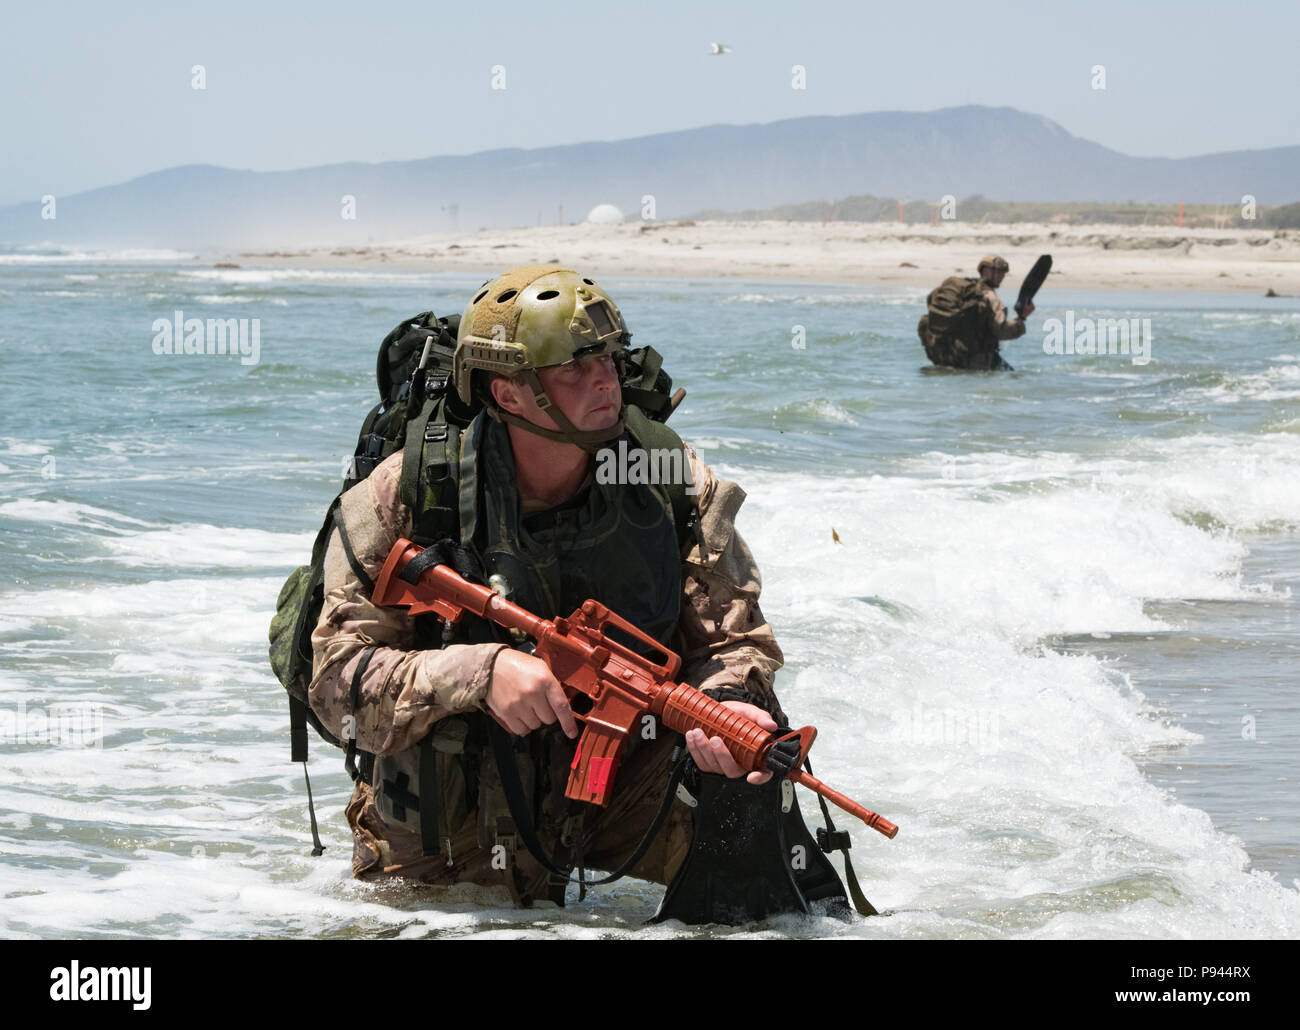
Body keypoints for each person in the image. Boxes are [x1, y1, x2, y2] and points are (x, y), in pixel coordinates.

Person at [306, 266, 794, 911]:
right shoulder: (410, 494)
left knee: (761, 780)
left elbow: (734, 642)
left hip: (620, 782)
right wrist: (480, 671)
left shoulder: (666, 481)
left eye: (610, 362)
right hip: (458, 808)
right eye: (572, 369)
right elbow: (335, 687)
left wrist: (732, 705)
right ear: (508, 394)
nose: (604, 383)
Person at [917, 255, 1035, 370]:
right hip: (977, 362)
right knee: (1010, 378)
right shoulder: (989, 296)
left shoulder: (964, 291)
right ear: (985, 271)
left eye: (1003, 272)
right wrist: (1022, 318)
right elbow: (1002, 331)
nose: (1002, 276)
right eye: (998, 271)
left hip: (949, 357)